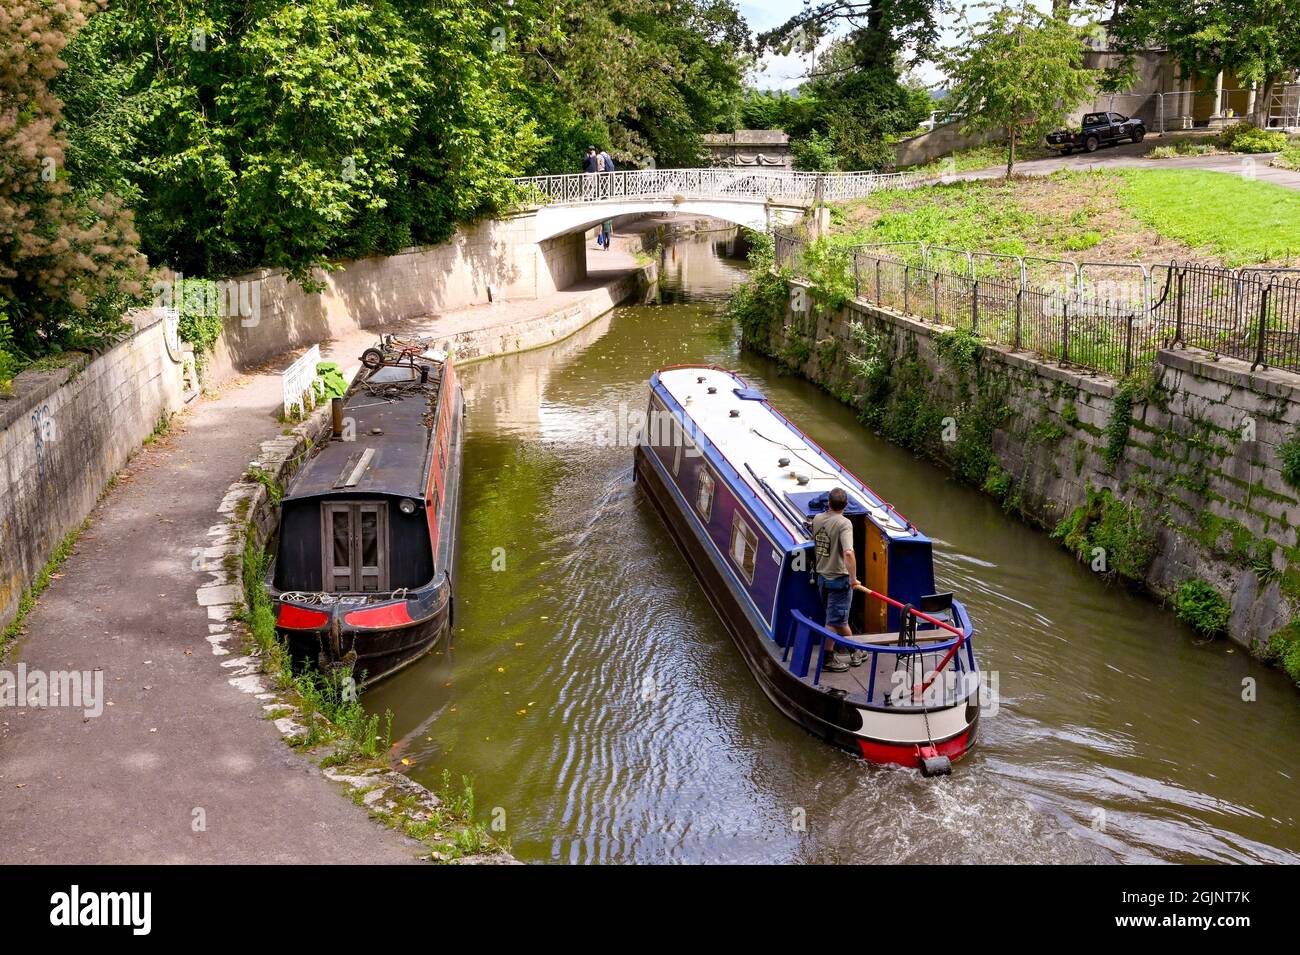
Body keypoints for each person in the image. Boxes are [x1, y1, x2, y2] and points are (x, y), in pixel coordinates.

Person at [811, 487, 860, 672]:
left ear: (828, 503)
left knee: (837, 619)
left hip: (822, 578)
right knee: (833, 622)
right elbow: (848, 552)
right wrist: (854, 579)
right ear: (845, 505)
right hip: (839, 581)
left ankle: (855, 650)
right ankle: (827, 659)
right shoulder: (844, 524)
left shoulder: (817, 519)